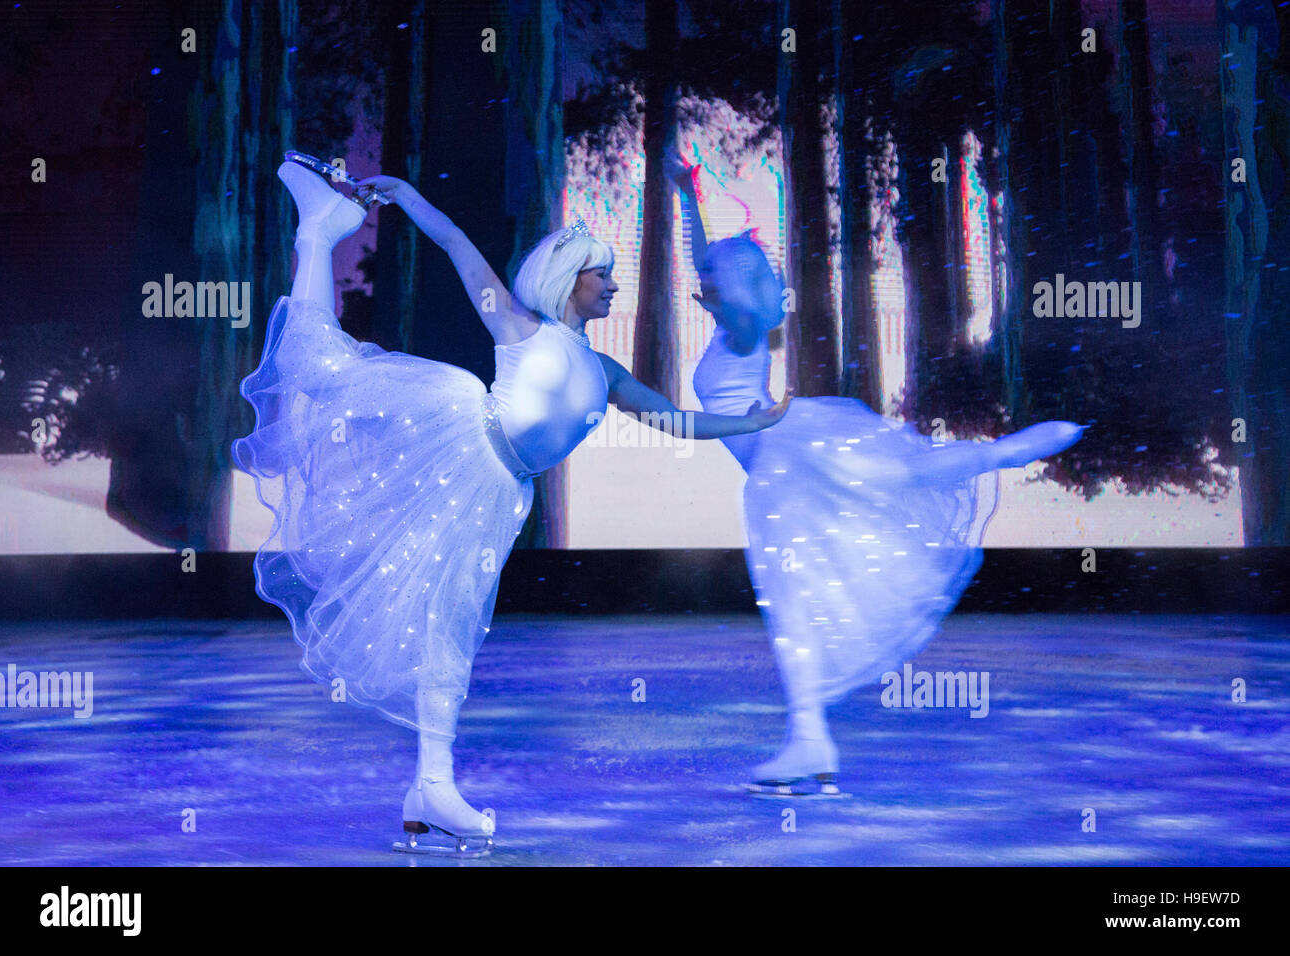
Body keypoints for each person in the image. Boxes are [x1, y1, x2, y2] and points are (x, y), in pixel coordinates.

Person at [232, 158, 789, 854]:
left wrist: (752, 423)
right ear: (571, 278)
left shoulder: (606, 371)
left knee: (449, 634)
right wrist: (406, 194)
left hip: (497, 493)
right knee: (324, 373)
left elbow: (675, 421)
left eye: (613, 273)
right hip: (459, 441)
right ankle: (317, 229)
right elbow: (460, 247)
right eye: (602, 273)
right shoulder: (522, 328)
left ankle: (430, 789)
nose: (614, 283)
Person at [666, 155, 1084, 796]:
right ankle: (808, 737)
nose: (704, 286)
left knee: (883, 499)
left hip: (782, 456)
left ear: (735, 291)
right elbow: (704, 264)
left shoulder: (745, 331)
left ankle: (1002, 452)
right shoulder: (732, 326)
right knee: (798, 599)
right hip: (778, 465)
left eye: (716, 282)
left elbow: (723, 284)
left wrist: (702, 228)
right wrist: (686, 194)